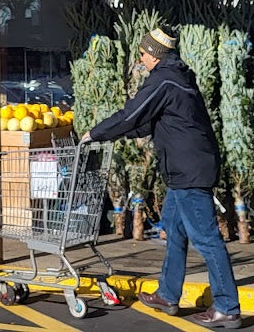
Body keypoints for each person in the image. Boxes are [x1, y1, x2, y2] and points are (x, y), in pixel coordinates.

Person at [85, 27, 243, 329]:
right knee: (174, 228)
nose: (141, 58)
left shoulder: (164, 80)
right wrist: (116, 136)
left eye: (143, 53)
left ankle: (227, 307)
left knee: (207, 240)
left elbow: (132, 114)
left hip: (188, 171)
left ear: (154, 54)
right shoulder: (179, 76)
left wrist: (95, 133)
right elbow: (149, 123)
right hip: (186, 168)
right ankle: (169, 295)